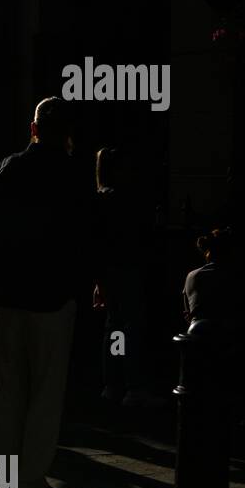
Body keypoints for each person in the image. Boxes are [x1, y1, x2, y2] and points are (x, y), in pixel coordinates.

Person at [0, 98, 94, 488]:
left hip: (6, 294)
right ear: (67, 134)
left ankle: (4, 475)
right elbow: (82, 237)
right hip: (51, 294)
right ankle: (29, 479)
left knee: (7, 388)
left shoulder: (5, 170)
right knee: (45, 389)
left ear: (33, 128)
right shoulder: (73, 175)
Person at [95, 147, 162, 408]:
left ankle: (113, 383)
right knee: (132, 326)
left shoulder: (101, 198)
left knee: (114, 327)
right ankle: (134, 385)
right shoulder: (123, 199)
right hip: (126, 267)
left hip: (110, 270)